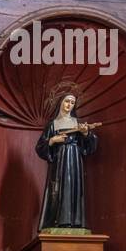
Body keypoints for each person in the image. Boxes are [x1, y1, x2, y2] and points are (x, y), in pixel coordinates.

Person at [35, 92, 99, 232]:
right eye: (66, 101)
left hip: (75, 160)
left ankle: (74, 221)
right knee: (58, 188)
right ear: (60, 103)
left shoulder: (78, 123)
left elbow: (90, 145)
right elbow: (40, 147)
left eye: (72, 102)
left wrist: (86, 133)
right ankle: (56, 221)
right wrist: (52, 140)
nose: (69, 105)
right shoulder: (53, 124)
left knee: (73, 187)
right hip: (59, 161)